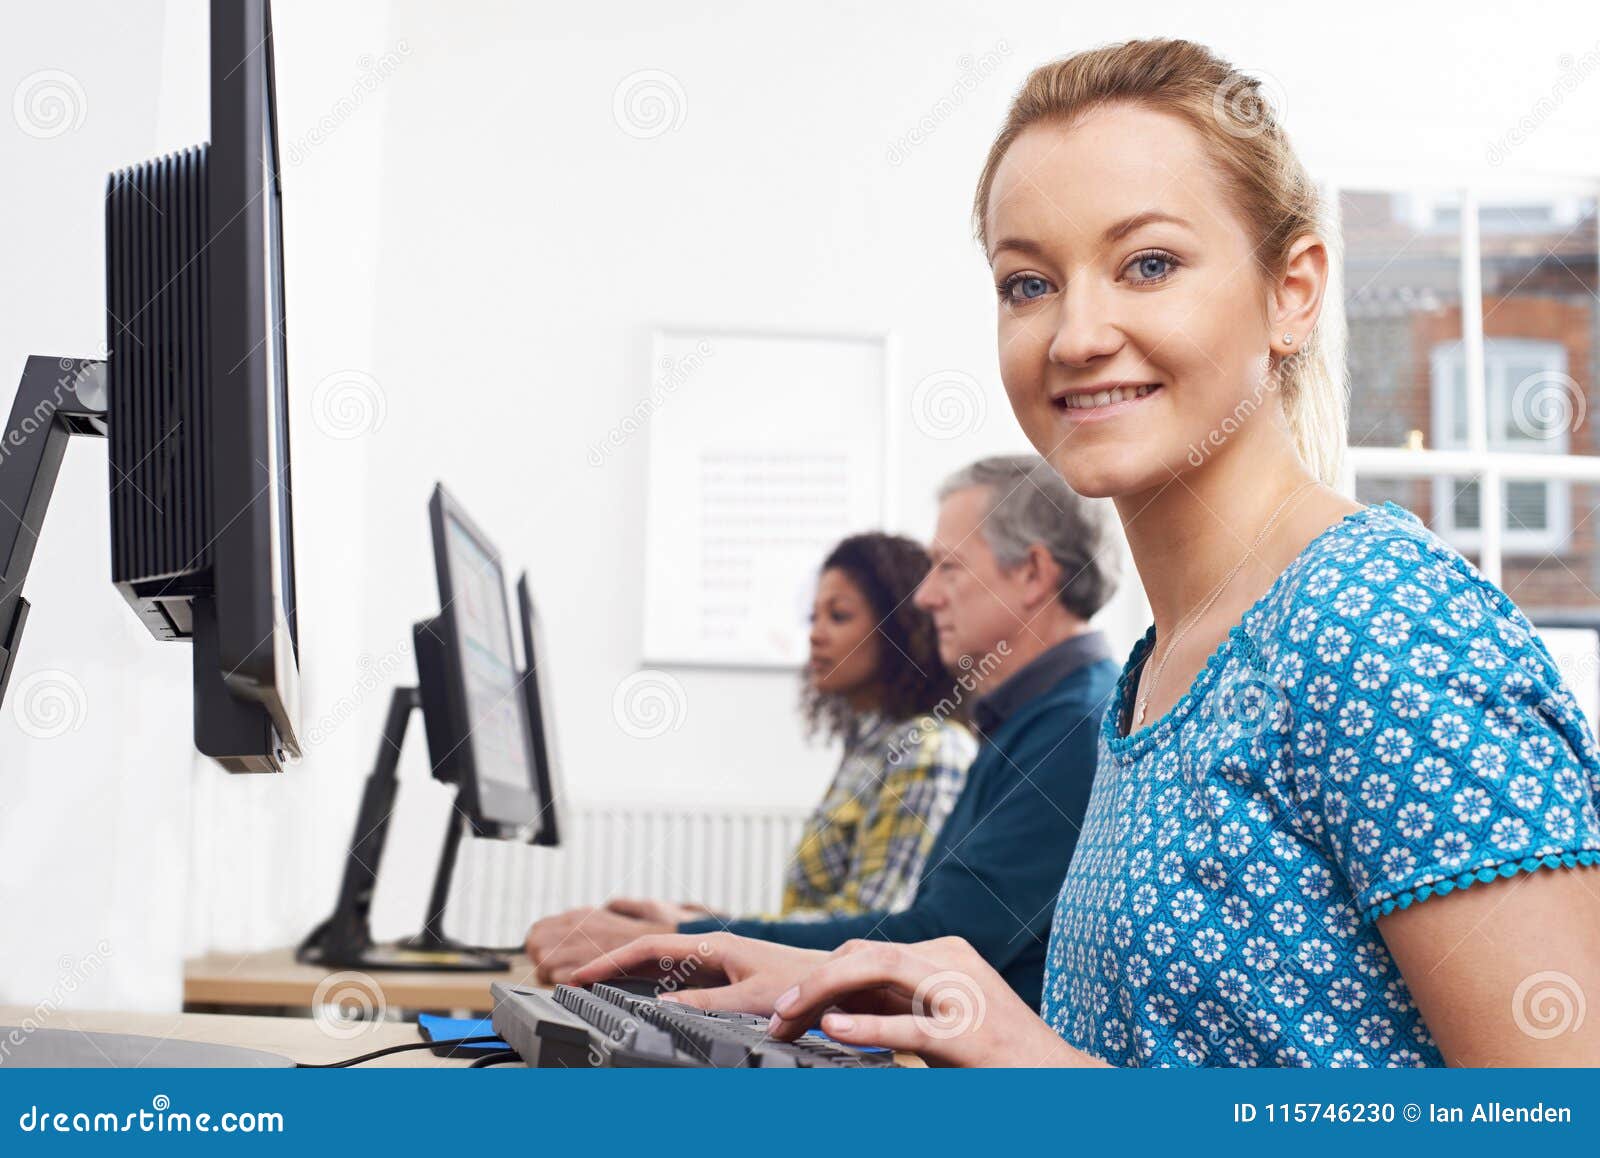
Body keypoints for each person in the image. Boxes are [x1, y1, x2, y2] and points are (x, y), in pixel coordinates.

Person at [575, 38, 1600, 1067]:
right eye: (1027, 284)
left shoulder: (1384, 627)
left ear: (1292, 292)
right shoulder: (1160, 667)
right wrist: (813, 987)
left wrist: (1050, 1074)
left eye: (1146, 265)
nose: (1073, 335)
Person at [530, 456, 1124, 1011]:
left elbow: (941, 944)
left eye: (949, 567)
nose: (926, 596)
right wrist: (694, 934)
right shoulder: (1033, 717)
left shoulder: (1074, 727)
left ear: (1032, 573)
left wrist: (689, 940)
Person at [528, 533, 979, 951]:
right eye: (812, 616)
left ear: (900, 628)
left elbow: (875, 931)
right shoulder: (868, 749)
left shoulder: (928, 749)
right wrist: (697, 922)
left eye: (838, 616)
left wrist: (686, 936)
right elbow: (828, 921)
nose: (816, 633)